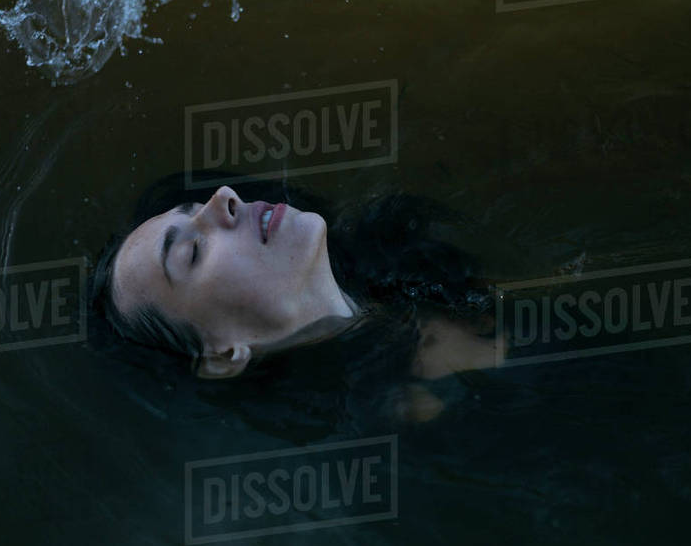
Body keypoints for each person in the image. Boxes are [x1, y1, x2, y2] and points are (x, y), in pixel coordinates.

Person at [89, 172, 497, 425]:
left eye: (196, 207)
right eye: (192, 253)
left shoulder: (426, 254)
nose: (225, 197)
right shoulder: (406, 416)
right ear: (225, 354)